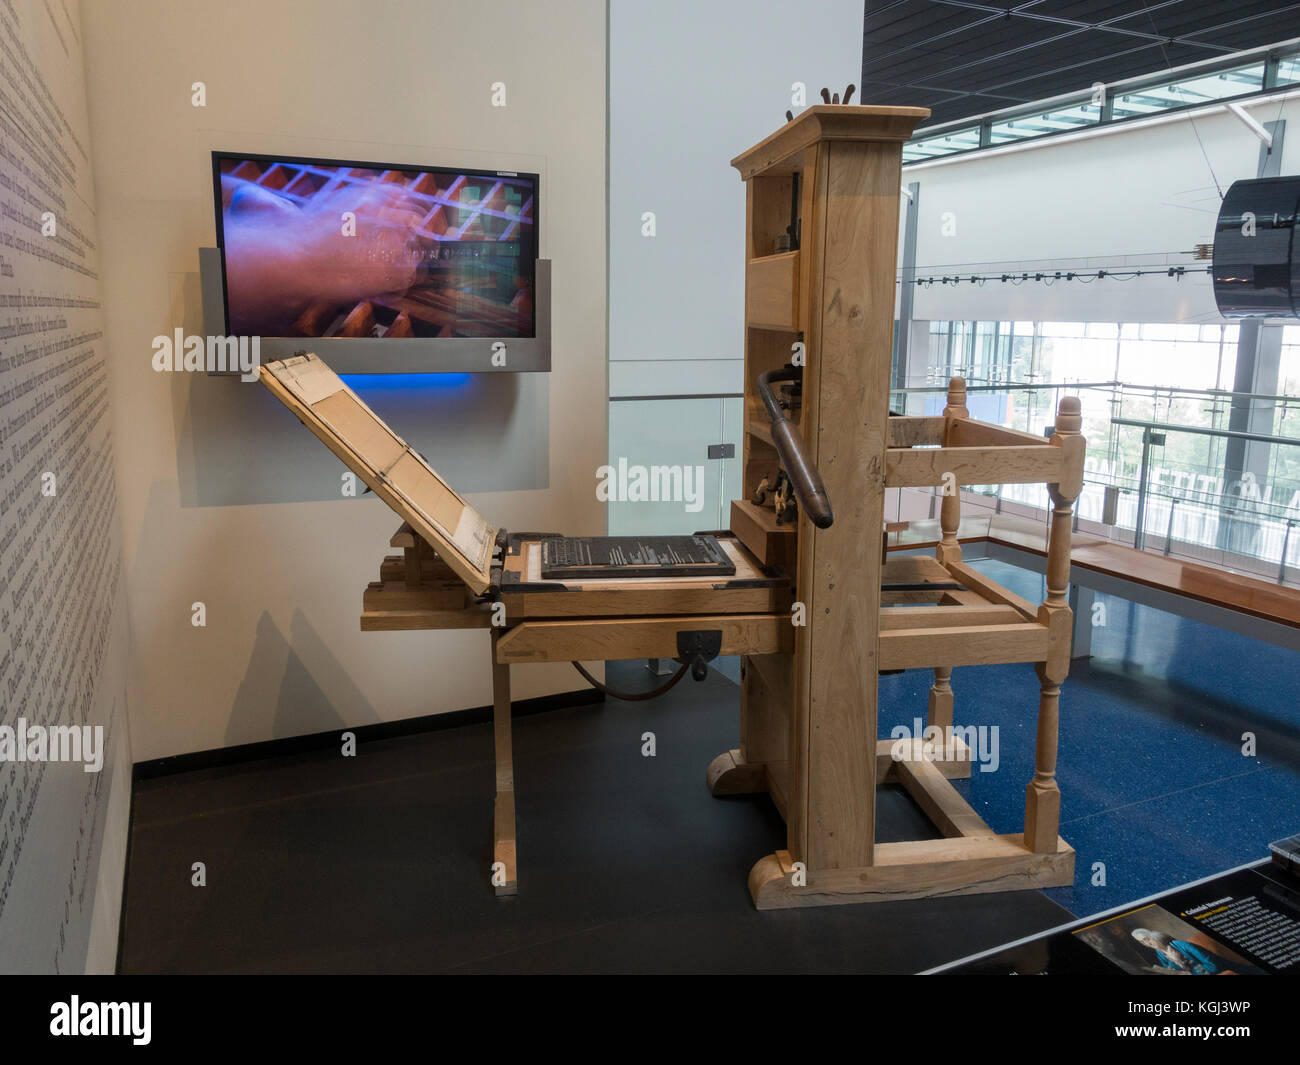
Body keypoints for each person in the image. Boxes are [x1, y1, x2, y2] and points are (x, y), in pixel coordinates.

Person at [1130, 928, 1230, 974]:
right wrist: (1178, 964)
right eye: (1142, 942)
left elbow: (1212, 964)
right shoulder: (1160, 954)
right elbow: (1173, 972)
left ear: (1153, 935)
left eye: (1146, 938)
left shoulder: (1180, 945)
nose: (1147, 943)